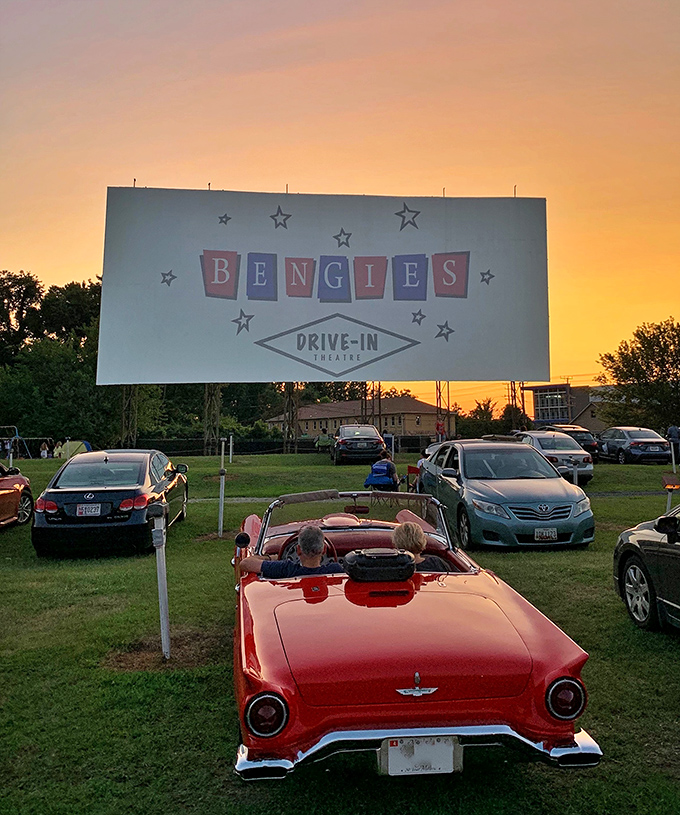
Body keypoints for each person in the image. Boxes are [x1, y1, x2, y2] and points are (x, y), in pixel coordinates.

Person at [239, 525, 344, 578]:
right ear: (324, 550)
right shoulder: (336, 570)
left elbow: (245, 563)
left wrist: (271, 558)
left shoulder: (285, 568)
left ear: (298, 550)